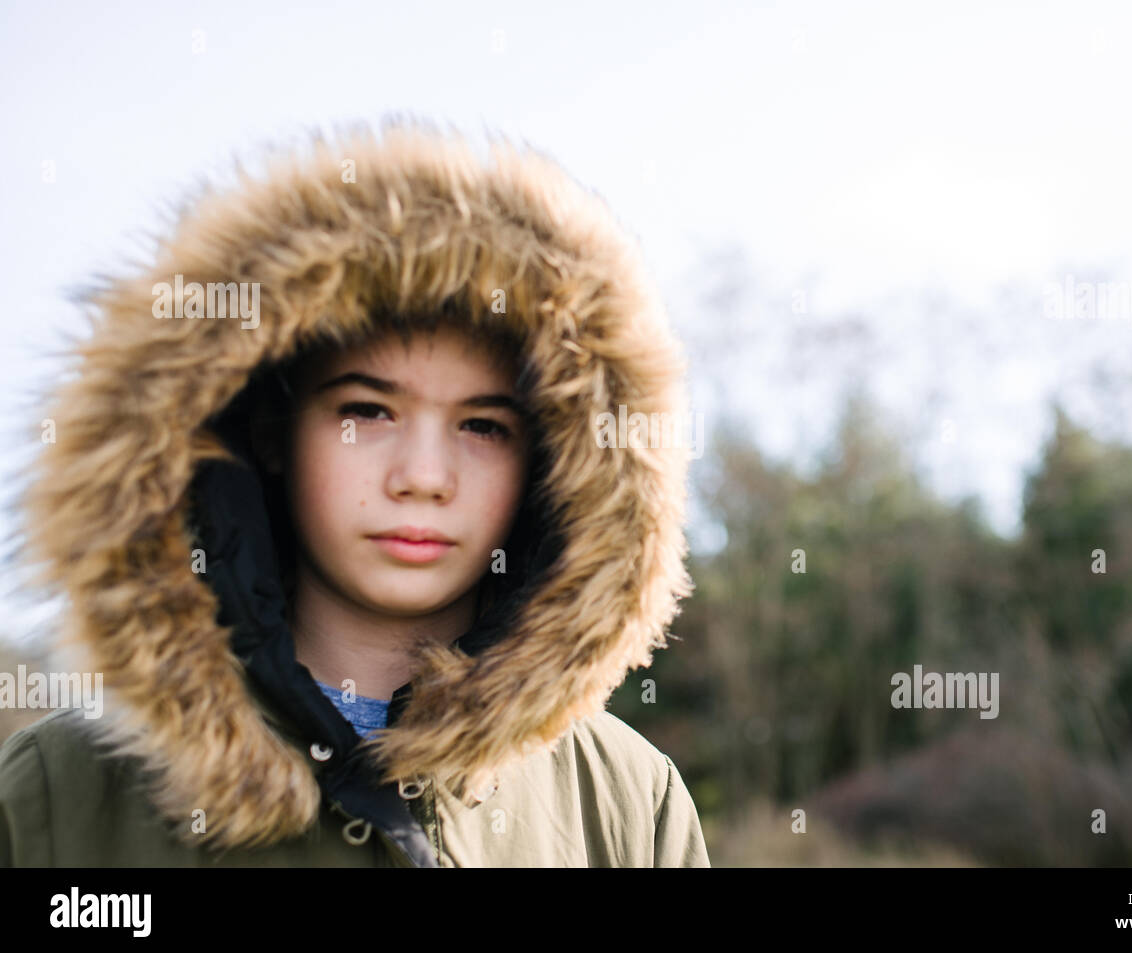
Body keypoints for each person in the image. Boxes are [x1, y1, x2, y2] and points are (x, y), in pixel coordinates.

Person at [0, 120, 708, 867]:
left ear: (552, 463)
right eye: (367, 411)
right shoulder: (60, 797)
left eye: (483, 426)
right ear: (269, 431)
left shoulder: (630, 806)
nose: (424, 476)